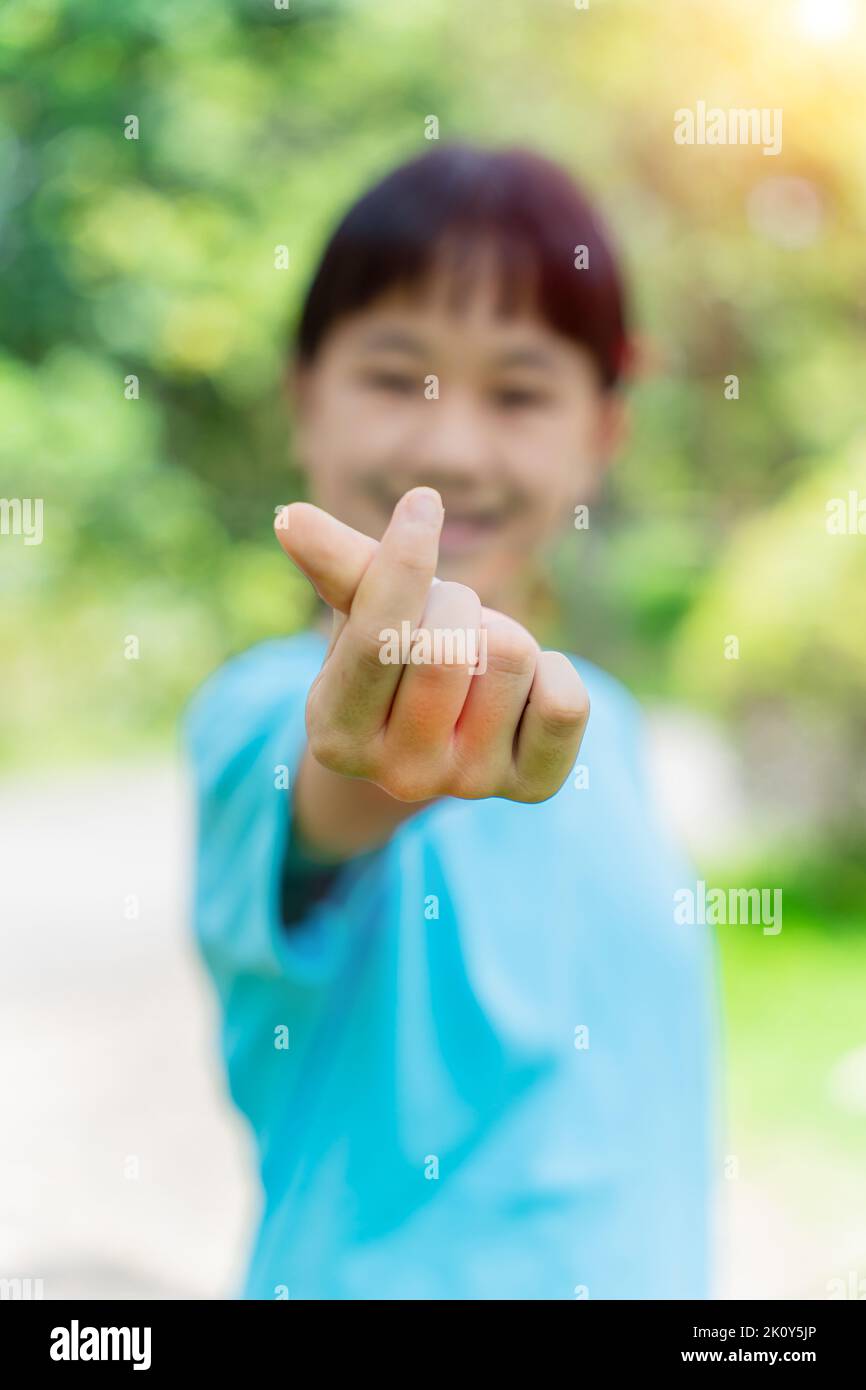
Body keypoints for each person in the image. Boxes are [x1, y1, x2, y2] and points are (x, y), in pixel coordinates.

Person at [184, 145, 720, 1300]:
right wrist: (376, 757)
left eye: (519, 392)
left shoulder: (607, 729)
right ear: (301, 398)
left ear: (601, 434)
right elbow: (342, 772)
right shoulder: (258, 718)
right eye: (395, 374)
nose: (450, 450)